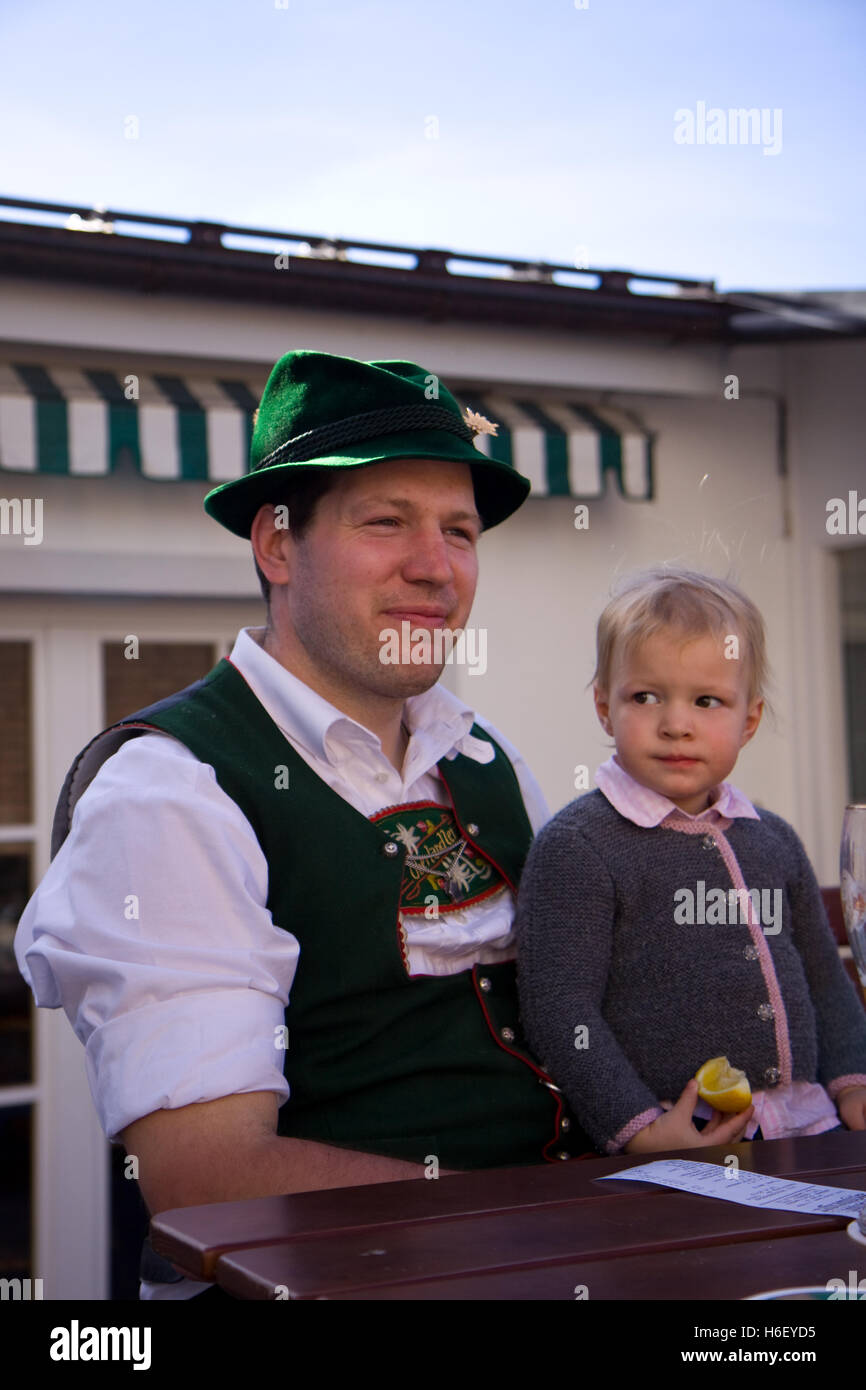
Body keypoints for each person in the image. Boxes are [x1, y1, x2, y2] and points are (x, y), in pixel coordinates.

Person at [15, 349, 586, 1300]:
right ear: (276, 545)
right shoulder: (171, 790)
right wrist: (545, 1222)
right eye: (386, 522)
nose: (435, 567)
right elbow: (211, 1180)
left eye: (459, 530)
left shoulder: (488, 758)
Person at [515, 567, 866, 1157]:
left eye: (707, 701)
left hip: (808, 1125)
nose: (676, 725)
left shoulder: (774, 840)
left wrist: (854, 1082)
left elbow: (825, 980)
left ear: (748, 720)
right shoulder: (579, 846)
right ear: (604, 706)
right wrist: (638, 1127)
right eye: (645, 697)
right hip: (681, 1137)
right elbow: (560, 1010)